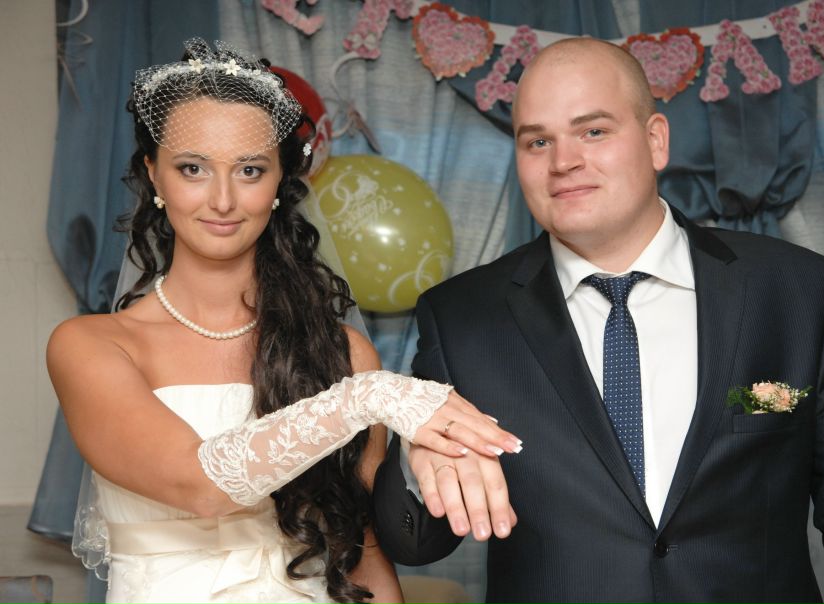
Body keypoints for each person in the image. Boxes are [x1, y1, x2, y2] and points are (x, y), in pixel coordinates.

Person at [372, 37, 824, 603]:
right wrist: (415, 454)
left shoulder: (794, 289)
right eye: (537, 141)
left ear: (655, 140)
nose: (563, 162)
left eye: (593, 131)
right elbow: (415, 544)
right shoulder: (462, 317)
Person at [46, 38, 520, 604]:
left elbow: (365, 552)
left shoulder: (342, 353)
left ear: (278, 183)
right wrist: (368, 397)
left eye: (249, 170)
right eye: (193, 168)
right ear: (154, 176)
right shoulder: (91, 346)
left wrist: (423, 454)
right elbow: (200, 486)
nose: (223, 200)